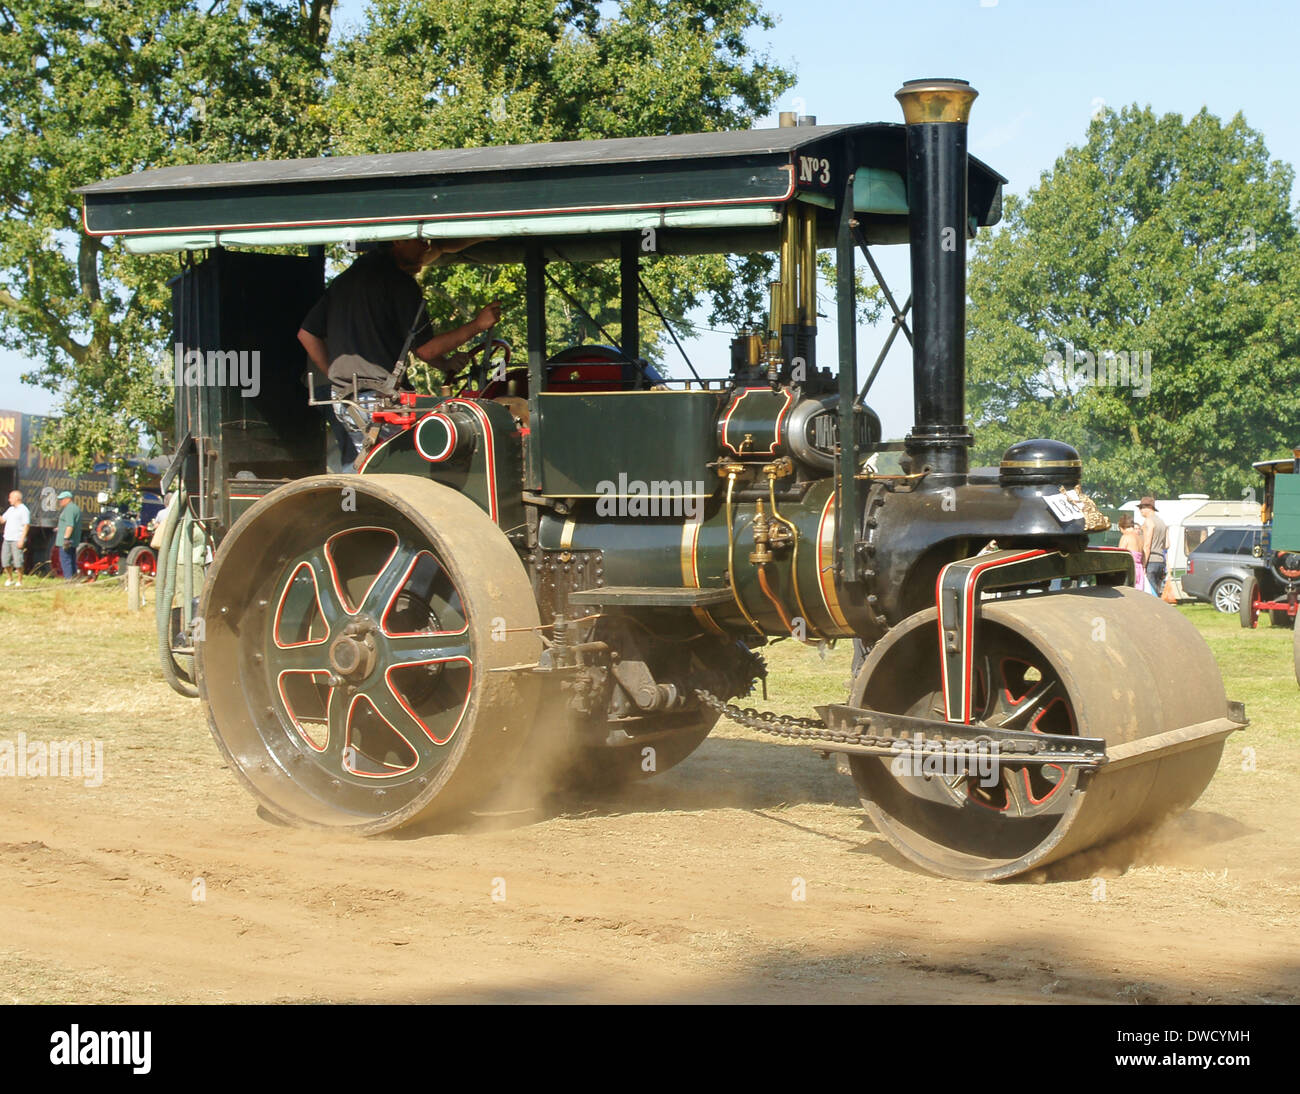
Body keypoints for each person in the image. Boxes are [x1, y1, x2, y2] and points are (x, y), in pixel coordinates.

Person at [296, 239, 501, 469]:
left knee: (364, 467)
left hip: (344, 401)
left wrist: (444, 365)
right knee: (415, 467)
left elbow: (306, 335)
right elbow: (426, 348)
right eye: (421, 241)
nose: (426, 247)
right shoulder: (399, 283)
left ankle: (353, 503)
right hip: (379, 403)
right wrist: (478, 325)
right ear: (397, 240)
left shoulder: (344, 281)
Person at [1138, 496, 1168, 596]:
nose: (1140, 510)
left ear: (1149, 507)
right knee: (1157, 592)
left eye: (1141, 507)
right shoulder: (1162, 522)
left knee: (1150, 595)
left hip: (1150, 561)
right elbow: (1167, 545)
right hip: (1160, 561)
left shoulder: (1148, 522)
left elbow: (1147, 545)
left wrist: (1143, 564)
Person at [2, 489, 30, 587]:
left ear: (17, 498)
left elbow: (26, 525)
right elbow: (2, 520)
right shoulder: (10, 509)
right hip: (7, 538)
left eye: (11, 498)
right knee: (5, 561)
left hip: (17, 539)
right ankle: (10, 578)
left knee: (18, 562)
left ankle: (19, 580)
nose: (9, 500)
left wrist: (22, 539)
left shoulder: (24, 509)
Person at [54, 490, 82, 582]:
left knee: (66, 561)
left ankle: (69, 580)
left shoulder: (69, 509)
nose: (60, 501)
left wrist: (66, 538)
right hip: (73, 540)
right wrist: (60, 528)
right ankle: (74, 579)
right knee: (72, 560)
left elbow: (70, 525)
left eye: (61, 499)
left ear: (68, 499)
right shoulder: (75, 508)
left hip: (67, 541)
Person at [1117, 513, 1147, 594]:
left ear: (1121, 527)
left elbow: (1120, 555)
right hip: (1139, 569)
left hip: (1129, 569)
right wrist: (1143, 567)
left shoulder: (1125, 537)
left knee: (1127, 595)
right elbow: (1144, 556)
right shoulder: (1140, 538)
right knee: (1138, 595)